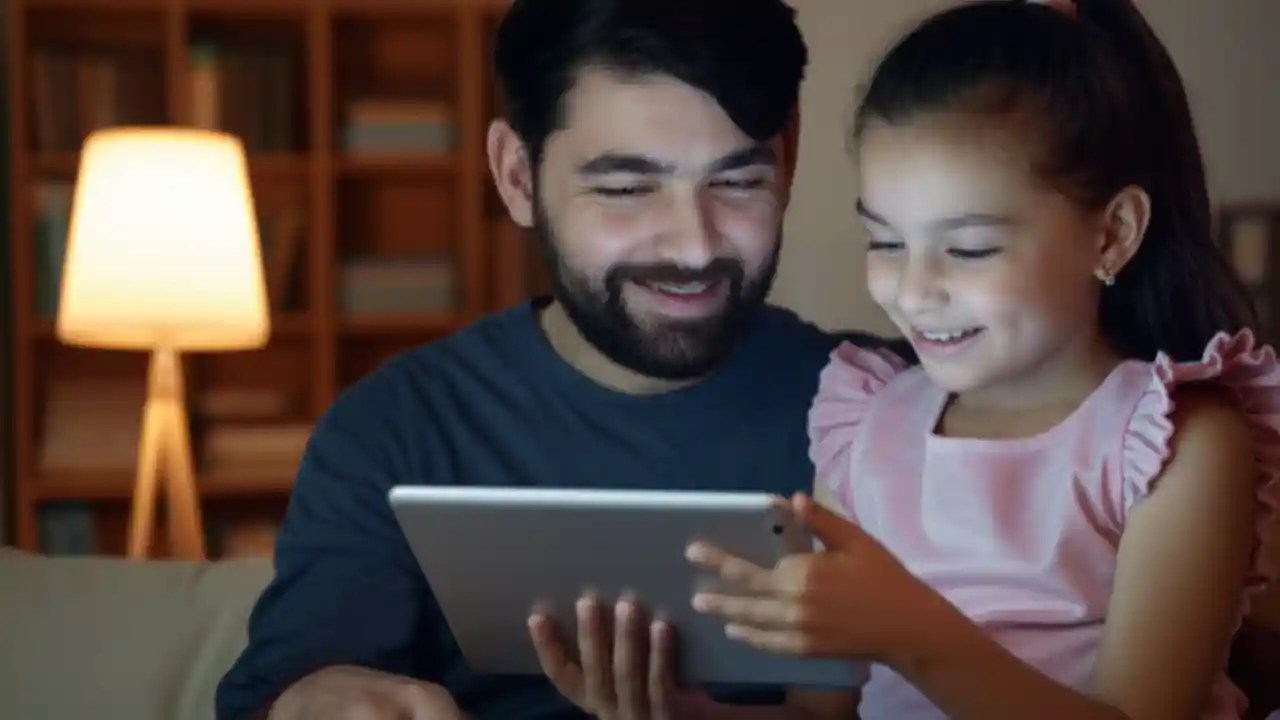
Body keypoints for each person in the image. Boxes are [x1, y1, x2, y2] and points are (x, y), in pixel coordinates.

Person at [214, 1, 907, 718]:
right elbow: (291, 686)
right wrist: (315, 701)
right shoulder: (399, 428)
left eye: (736, 182)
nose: (694, 246)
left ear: (788, 156)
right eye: (626, 189)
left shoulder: (896, 409)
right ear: (517, 175)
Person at [685, 1, 1280, 719]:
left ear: (1113, 234)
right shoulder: (864, 425)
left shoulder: (1171, 444)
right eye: (886, 242)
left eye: (969, 249)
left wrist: (911, 633)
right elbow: (820, 713)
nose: (913, 291)